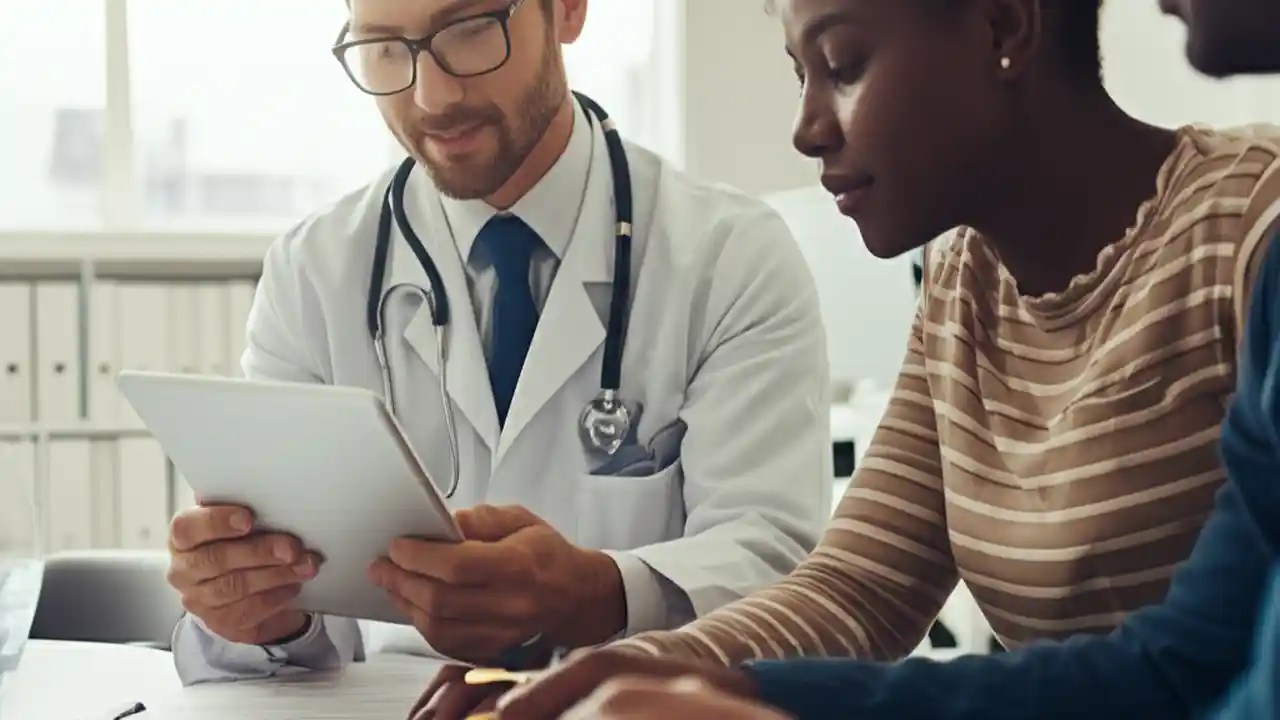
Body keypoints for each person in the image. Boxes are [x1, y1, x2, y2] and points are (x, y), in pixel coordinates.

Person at [418, 0, 1280, 717]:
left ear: (1005, 28)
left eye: (845, 63)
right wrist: (617, 677)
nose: (806, 130)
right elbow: (858, 588)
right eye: (803, 75)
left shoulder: (1247, 231)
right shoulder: (960, 284)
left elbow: (1185, 671)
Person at [162, 0, 833, 685]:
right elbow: (297, 632)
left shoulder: (729, 257)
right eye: (387, 48)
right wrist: (254, 611)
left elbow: (780, 569)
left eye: (471, 29)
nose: (433, 96)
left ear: (568, 11)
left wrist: (602, 594)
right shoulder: (314, 272)